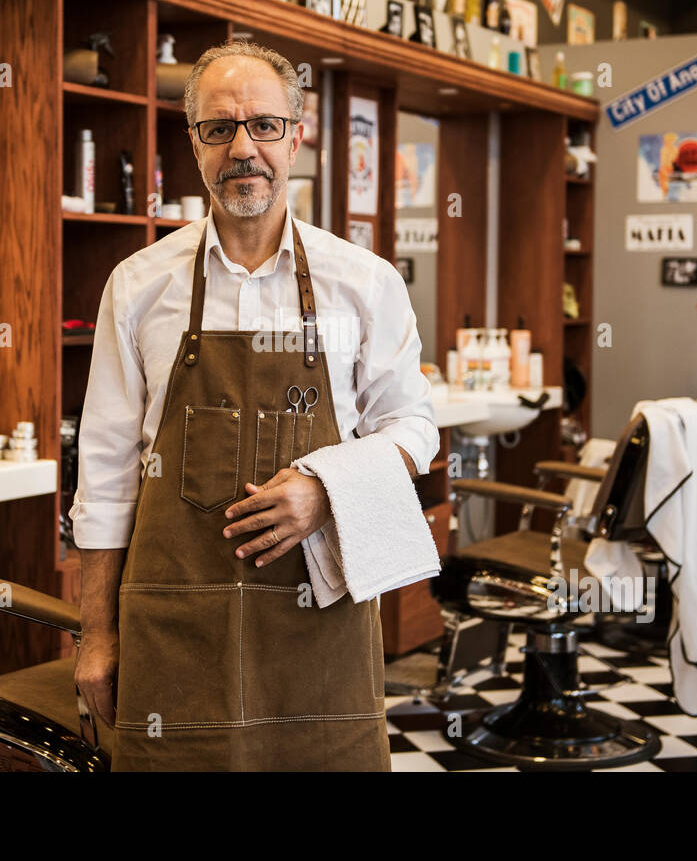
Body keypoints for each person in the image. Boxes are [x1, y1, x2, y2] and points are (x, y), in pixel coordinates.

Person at [69, 41, 437, 770]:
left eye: (265, 126)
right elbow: (105, 473)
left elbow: (414, 428)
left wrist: (325, 488)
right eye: (220, 129)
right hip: (175, 621)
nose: (244, 148)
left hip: (316, 623)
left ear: (296, 138)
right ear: (194, 144)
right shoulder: (138, 286)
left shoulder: (363, 284)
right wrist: (97, 633)